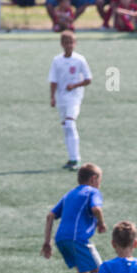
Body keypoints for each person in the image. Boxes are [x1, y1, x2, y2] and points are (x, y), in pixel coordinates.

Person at [41, 162, 107, 273]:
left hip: (61, 239)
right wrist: (101, 223)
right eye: (100, 180)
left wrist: (47, 242)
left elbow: (50, 216)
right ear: (93, 179)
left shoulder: (69, 194)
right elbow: (96, 209)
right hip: (78, 238)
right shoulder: (92, 192)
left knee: (82, 272)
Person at [47, 30, 91, 170]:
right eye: (66, 43)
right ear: (62, 44)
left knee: (70, 124)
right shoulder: (57, 60)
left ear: (75, 44)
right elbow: (53, 80)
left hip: (75, 97)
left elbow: (88, 79)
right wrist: (52, 97)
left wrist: (75, 85)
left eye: (71, 43)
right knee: (66, 128)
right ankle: (71, 158)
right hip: (61, 98)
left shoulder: (80, 60)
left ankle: (76, 159)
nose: (69, 45)